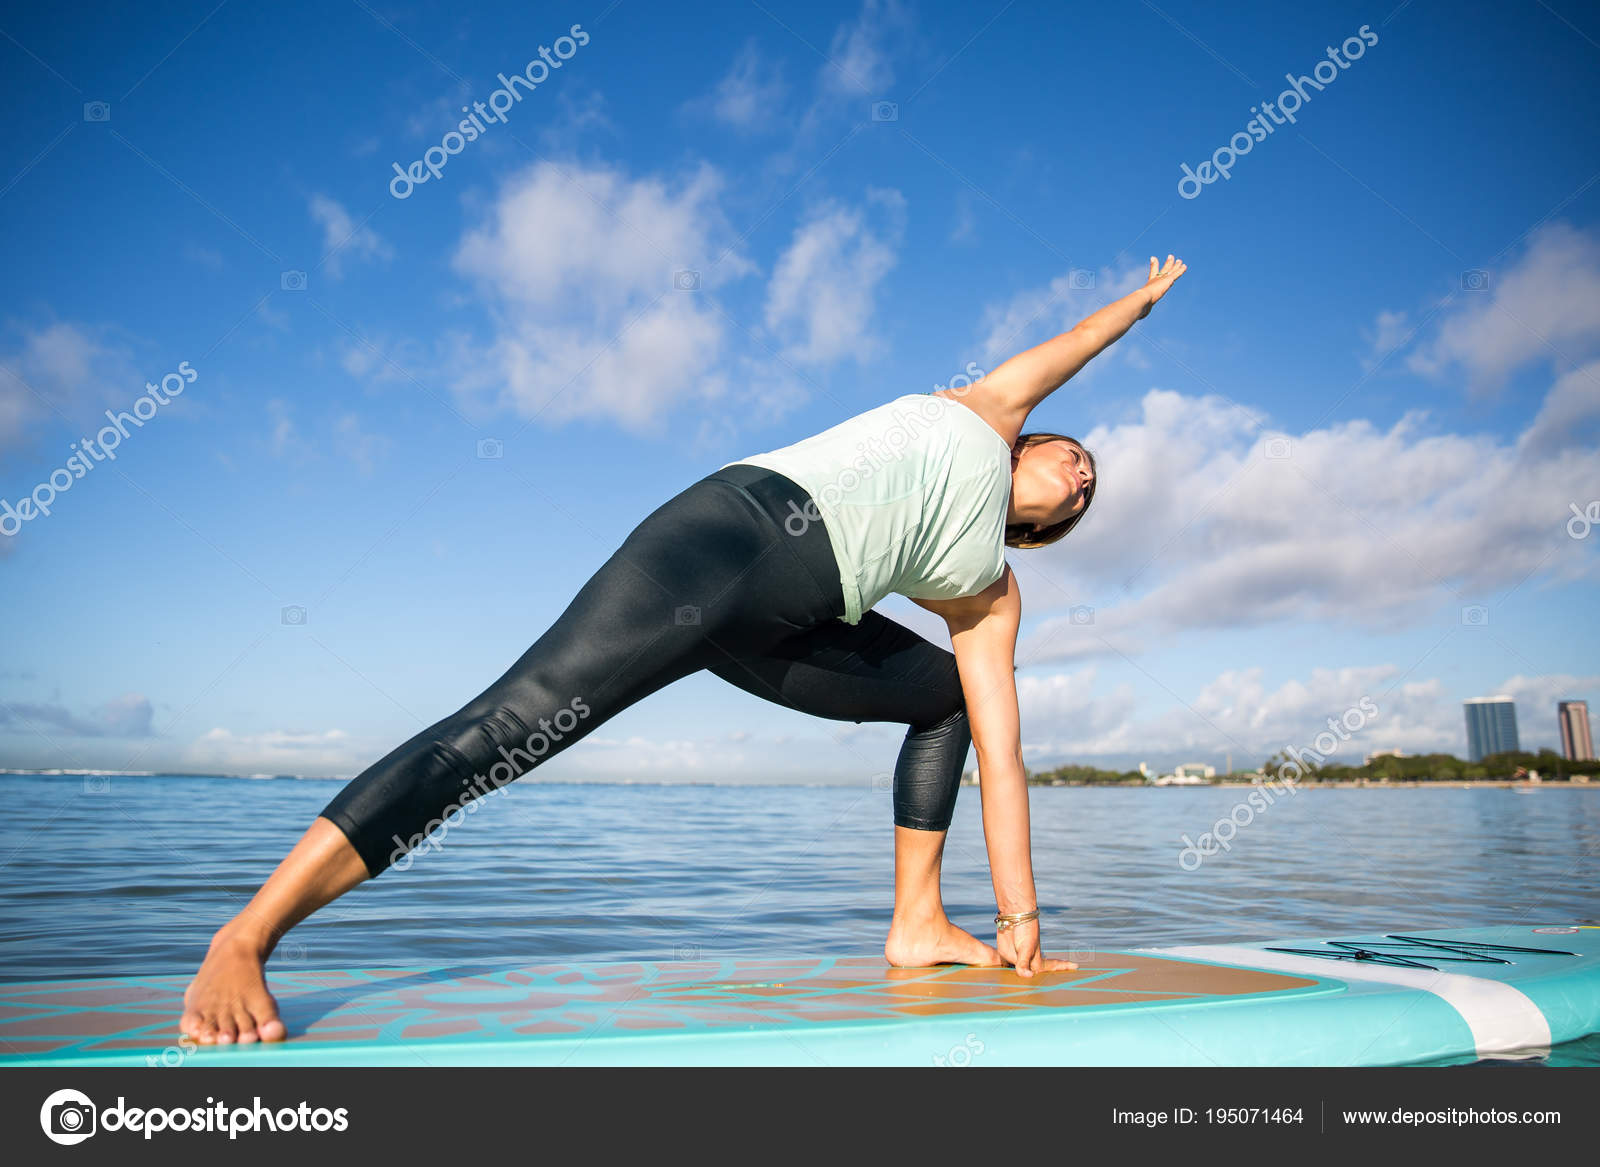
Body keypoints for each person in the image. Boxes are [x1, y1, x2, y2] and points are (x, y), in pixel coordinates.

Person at [180, 255, 1187, 1044]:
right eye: (1077, 455)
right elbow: (1074, 340)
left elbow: (1004, 763)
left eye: (1089, 496)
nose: (1083, 475)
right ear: (1032, 443)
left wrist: (1022, 927)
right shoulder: (987, 409)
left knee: (950, 702)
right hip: (715, 546)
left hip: (787, 631)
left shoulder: (988, 596)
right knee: (502, 733)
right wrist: (1139, 306)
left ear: (1046, 533)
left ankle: (917, 925)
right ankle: (247, 935)